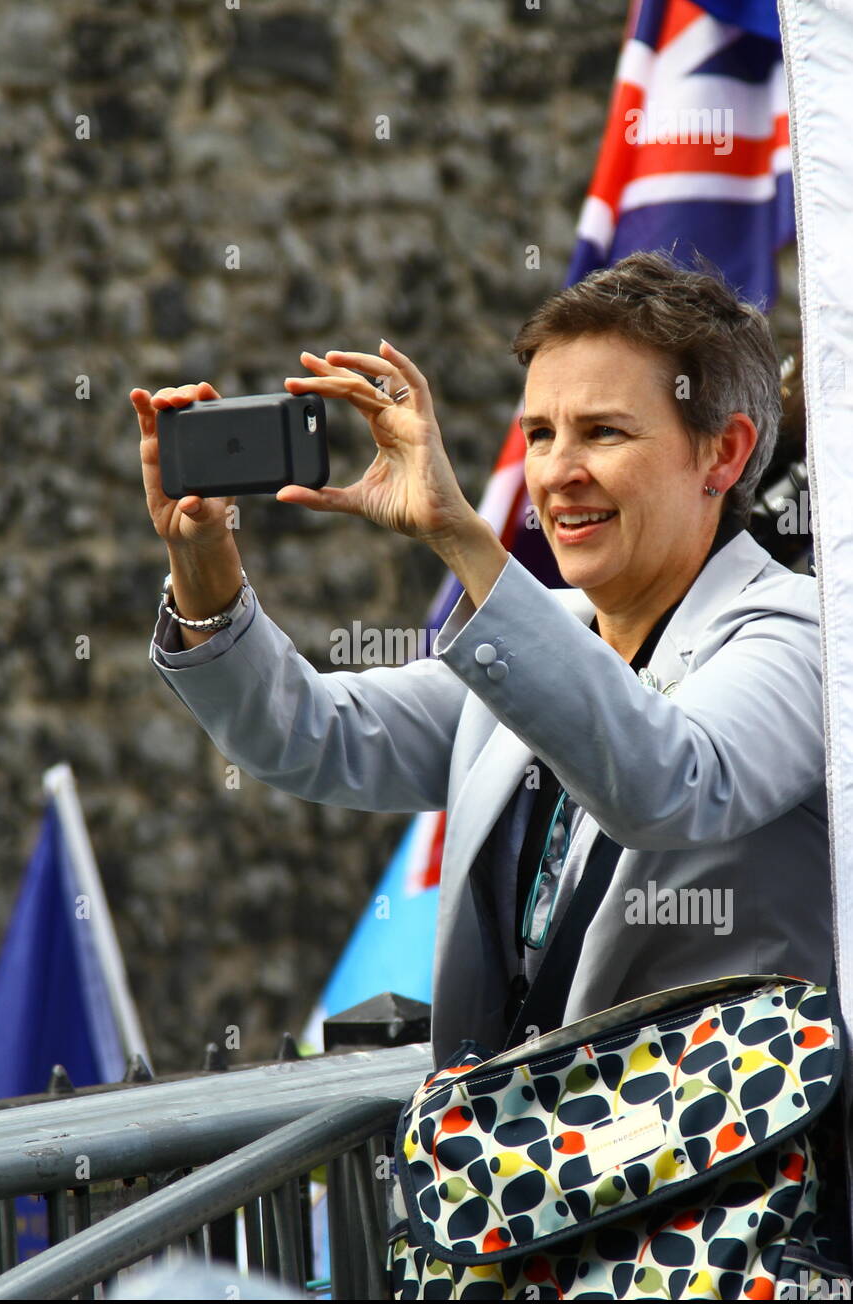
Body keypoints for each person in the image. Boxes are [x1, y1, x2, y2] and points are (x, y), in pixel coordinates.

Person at [131, 251, 830, 1070]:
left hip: (730, 1184)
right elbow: (307, 735)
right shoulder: (547, 635)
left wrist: (460, 534)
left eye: (603, 431)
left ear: (724, 453)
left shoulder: (802, 635)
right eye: (539, 433)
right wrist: (204, 559)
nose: (558, 473)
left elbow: (669, 786)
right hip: (538, 1180)